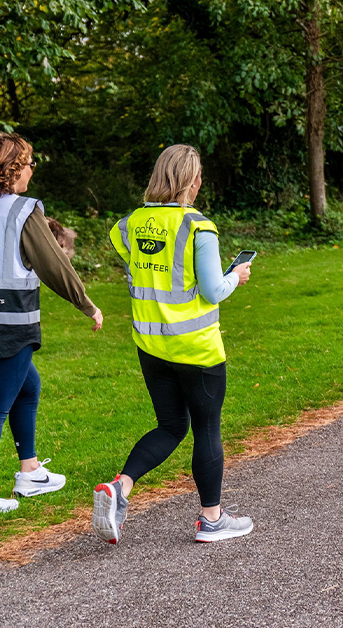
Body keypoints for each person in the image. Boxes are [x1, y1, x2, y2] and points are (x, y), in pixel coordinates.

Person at [92, 144, 253, 544]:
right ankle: (212, 520)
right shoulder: (198, 227)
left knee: (170, 425)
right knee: (206, 428)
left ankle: (121, 488)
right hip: (197, 350)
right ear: (193, 182)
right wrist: (238, 276)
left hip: (151, 346)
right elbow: (213, 290)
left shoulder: (128, 225)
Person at [0, 133, 103, 517]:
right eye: (30, 163)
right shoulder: (22, 210)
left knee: (27, 385)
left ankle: (30, 471)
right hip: (12, 319)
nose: (33, 170)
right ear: (14, 169)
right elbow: (54, 264)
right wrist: (85, 304)